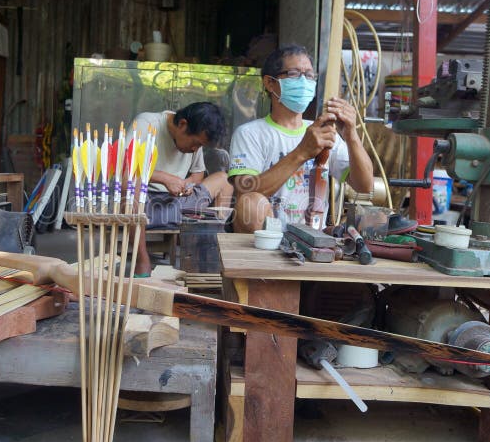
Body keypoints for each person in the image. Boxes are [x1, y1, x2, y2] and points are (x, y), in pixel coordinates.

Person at [229, 44, 373, 232]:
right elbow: (246, 191)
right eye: (294, 74)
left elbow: (365, 185)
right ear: (270, 83)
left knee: (376, 219)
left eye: (309, 75)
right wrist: (302, 152)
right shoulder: (250, 133)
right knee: (251, 203)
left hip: (312, 236)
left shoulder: (323, 132)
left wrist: (351, 134)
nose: (304, 81)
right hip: (266, 238)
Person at [132, 102, 234, 276]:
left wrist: (187, 184)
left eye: (200, 146)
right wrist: (165, 179)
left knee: (224, 179)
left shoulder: (195, 140)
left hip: (179, 205)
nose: (195, 149)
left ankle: (216, 247)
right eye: (195, 143)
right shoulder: (147, 123)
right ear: (182, 124)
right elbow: (127, 171)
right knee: (132, 189)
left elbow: (198, 173)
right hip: (146, 206)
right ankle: (142, 259)